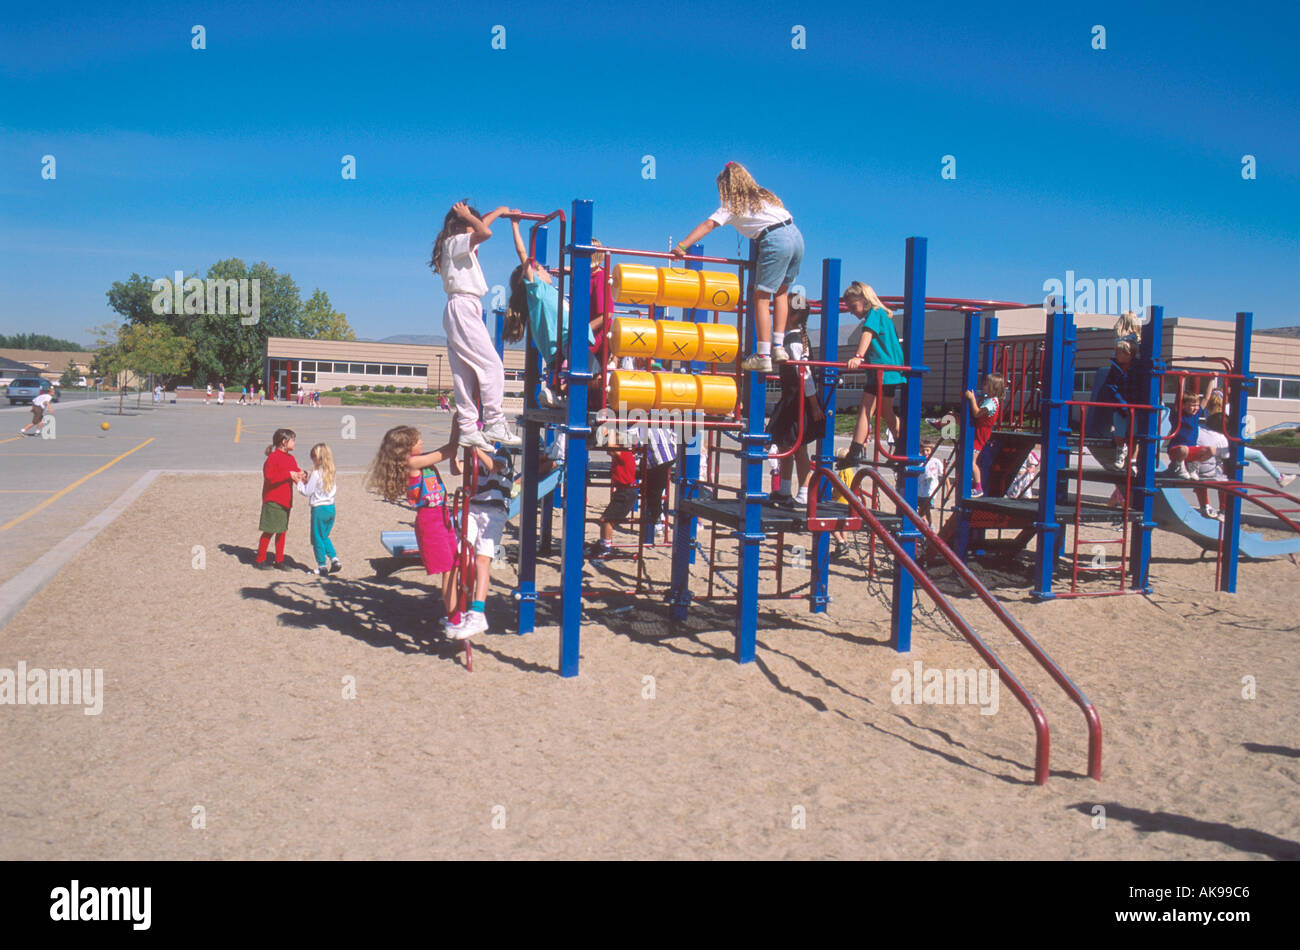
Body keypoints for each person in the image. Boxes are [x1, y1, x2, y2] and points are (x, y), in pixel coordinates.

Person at [671, 162, 803, 372]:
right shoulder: (766, 197)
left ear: (727, 188)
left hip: (775, 240)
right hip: (795, 236)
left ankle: (763, 355)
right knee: (781, 293)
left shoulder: (733, 205)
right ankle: (778, 346)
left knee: (760, 296)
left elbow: (709, 225)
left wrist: (682, 246)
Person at [430, 200, 521, 452]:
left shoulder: (460, 246)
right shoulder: (455, 242)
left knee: (465, 373)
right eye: (471, 222)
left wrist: (501, 211)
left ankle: (469, 428)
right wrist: (469, 216)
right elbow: (485, 232)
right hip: (463, 305)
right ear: (463, 225)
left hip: (460, 306)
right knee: (491, 365)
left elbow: (483, 229)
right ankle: (493, 421)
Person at [367, 426, 463, 628]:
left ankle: (455, 613)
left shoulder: (420, 459)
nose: (422, 443)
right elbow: (448, 451)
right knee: (449, 570)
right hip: (430, 521)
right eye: (417, 441)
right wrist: (457, 425)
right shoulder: (412, 462)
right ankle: (454, 619)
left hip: (442, 516)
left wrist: (457, 425)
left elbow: (449, 449)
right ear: (406, 448)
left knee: (455, 566)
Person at [504, 215, 594, 406]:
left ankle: (558, 393)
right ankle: (560, 393)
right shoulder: (536, 289)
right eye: (542, 269)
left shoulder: (546, 294)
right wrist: (515, 225)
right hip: (568, 344)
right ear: (533, 274)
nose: (547, 271)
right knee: (594, 376)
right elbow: (522, 253)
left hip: (565, 346)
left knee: (591, 375)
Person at [446, 447, 518, 640]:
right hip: (473, 507)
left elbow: (494, 466)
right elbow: (456, 470)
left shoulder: (502, 450)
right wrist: (455, 452)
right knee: (460, 554)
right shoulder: (472, 451)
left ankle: (478, 613)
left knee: (482, 561)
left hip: (494, 511)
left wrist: (476, 448)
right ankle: (461, 605)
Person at [838, 282, 905, 469]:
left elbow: (867, 334)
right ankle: (902, 445)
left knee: (866, 409)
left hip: (882, 371)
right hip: (886, 371)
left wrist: (858, 356)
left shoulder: (874, 313)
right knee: (885, 411)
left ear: (865, 301)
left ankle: (855, 451)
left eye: (853, 306)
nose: (851, 311)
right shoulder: (880, 314)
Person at [767, 299, 825, 507]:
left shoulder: (794, 339)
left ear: (791, 316)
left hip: (799, 398)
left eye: (780, 312)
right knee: (785, 443)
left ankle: (804, 492)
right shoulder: (794, 337)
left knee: (798, 446)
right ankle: (784, 489)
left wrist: (814, 404)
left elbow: (805, 373)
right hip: (793, 398)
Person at [1204, 392, 1295, 490]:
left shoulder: (1207, 413)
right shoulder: (1228, 409)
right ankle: (1279, 478)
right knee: (1257, 455)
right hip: (1227, 447)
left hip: (1213, 446)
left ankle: (1206, 504)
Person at [1086, 337, 1140, 471]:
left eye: (1119, 352)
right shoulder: (1115, 367)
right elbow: (1111, 386)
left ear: (1128, 353)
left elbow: (1141, 386)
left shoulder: (1138, 367)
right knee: (1119, 434)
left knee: (1134, 435)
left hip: (1135, 406)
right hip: (1120, 406)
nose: (1116, 354)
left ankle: (1132, 461)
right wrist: (1120, 402)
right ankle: (1121, 454)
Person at [257, 428, 305, 568]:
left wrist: (301, 475)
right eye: (293, 440)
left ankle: (279, 560)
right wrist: (288, 475)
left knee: (282, 531)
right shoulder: (273, 458)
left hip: (286, 500)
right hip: (273, 500)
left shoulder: (290, 458)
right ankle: (260, 559)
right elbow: (270, 478)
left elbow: (294, 471)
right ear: (284, 442)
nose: (295, 443)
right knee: (269, 530)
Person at [588, 433, 637, 560]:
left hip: (626, 493)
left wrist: (610, 432)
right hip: (623, 492)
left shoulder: (624, 453)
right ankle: (604, 544)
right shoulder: (620, 454)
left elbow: (610, 447)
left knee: (606, 520)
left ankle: (606, 547)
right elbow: (609, 449)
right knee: (606, 520)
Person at [298, 442, 340, 575]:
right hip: (330, 507)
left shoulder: (316, 473)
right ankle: (334, 559)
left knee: (316, 538)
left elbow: (307, 492)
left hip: (319, 509)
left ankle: (322, 565)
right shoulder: (330, 471)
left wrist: (298, 482)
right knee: (324, 536)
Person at [963, 375, 1005, 497]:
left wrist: (972, 398)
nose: (983, 386)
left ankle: (978, 486)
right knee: (954, 416)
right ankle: (941, 423)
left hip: (981, 433)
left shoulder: (991, 403)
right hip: (979, 429)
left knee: (971, 460)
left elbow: (976, 413)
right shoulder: (990, 400)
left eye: (986, 384)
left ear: (993, 387)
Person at [1166, 386, 1215, 480]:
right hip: (1176, 451)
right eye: (1192, 405)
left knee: (1211, 450)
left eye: (1197, 405)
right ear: (1183, 405)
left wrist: (1212, 379)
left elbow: (1206, 398)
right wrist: (1182, 379)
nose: (1195, 408)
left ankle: (1192, 468)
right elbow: (1179, 398)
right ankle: (1178, 467)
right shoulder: (1179, 414)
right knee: (1184, 449)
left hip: (1190, 449)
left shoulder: (1196, 414)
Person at [916, 438, 949, 525]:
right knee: (921, 510)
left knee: (925, 509)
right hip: (920, 491)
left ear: (931, 450)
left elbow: (944, 475)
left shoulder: (935, 462)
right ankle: (925, 524)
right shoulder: (918, 461)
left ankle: (930, 525)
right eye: (923, 450)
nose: (925, 453)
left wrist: (948, 488)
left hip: (930, 491)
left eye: (927, 450)